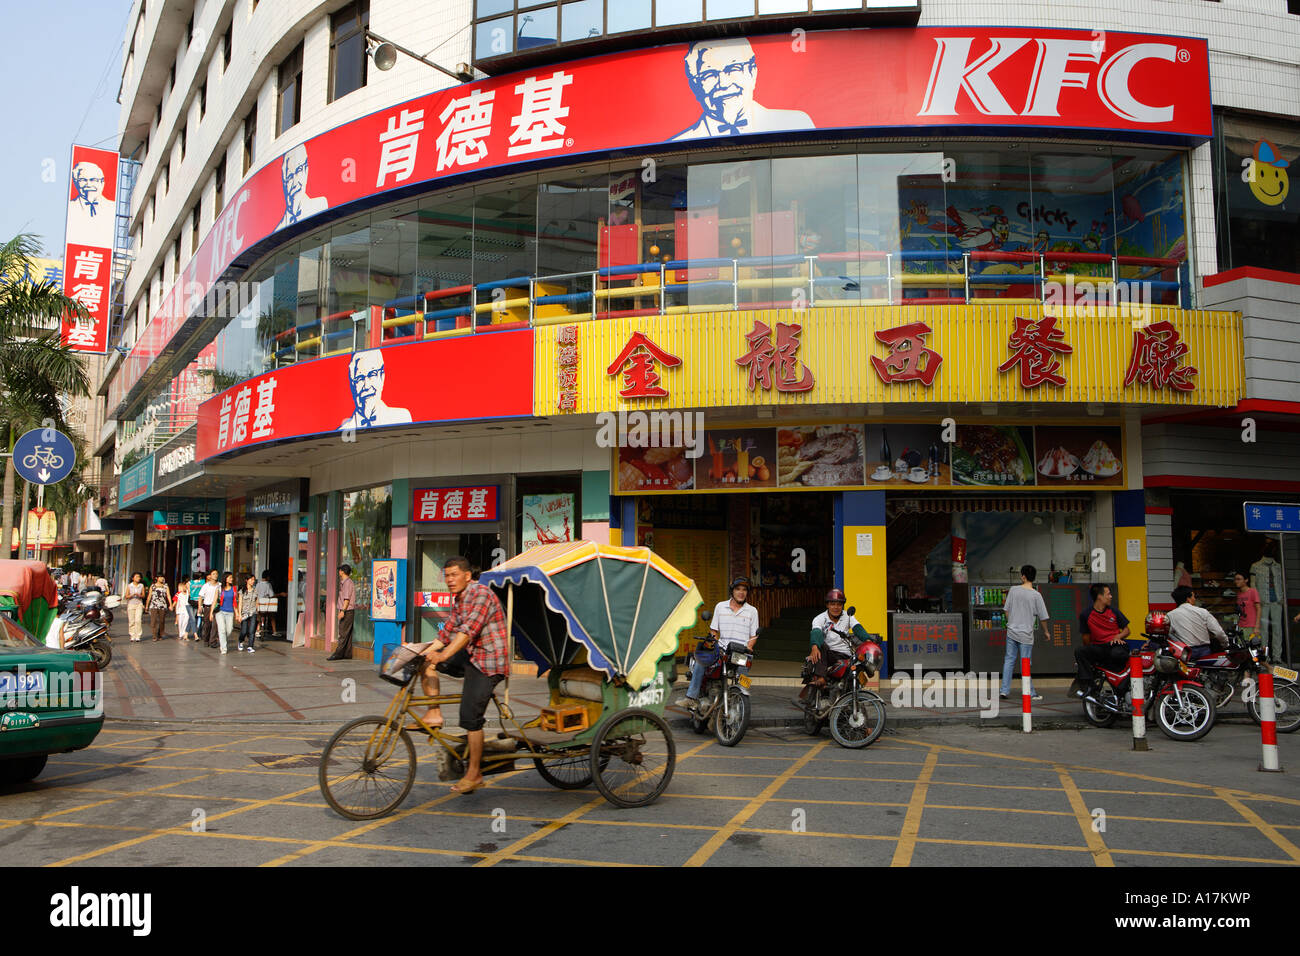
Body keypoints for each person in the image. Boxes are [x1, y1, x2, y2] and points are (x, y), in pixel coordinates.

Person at [399, 555, 509, 794]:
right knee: (425, 663)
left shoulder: (480, 594)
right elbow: (446, 632)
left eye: (454, 575)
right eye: (446, 576)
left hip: (489, 662)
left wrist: (444, 655)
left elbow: (467, 632)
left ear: (467, 576)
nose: (449, 580)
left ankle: (475, 773)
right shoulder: (459, 599)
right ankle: (434, 713)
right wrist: (419, 652)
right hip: (471, 656)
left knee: (470, 718)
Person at [672, 38, 814, 141]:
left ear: (752, 73)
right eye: (709, 74)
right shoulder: (678, 143)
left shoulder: (795, 124)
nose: (724, 83)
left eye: (733, 68)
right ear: (695, 86)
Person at [685, 577, 759, 710]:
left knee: (744, 681)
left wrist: (749, 647)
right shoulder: (720, 606)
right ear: (732, 591)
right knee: (701, 661)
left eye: (744, 590)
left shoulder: (752, 611)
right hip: (722, 650)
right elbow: (714, 630)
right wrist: (712, 642)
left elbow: (753, 636)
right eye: (738, 589)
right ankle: (691, 697)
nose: (741, 592)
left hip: (741, 653)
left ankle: (741, 705)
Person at [802, 589, 868, 699]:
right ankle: (821, 678)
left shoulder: (848, 616)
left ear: (842, 605)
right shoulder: (820, 618)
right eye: (832, 604)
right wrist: (814, 646)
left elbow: (858, 628)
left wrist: (868, 640)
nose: (836, 607)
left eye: (839, 604)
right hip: (828, 654)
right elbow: (816, 632)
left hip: (846, 654)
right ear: (827, 605)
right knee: (821, 645)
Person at [1000, 564, 1050, 701]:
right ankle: (1030, 692)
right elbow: (1043, 617)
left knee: (1009, 660)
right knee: (1025, 663)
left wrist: (1011, 622)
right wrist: (1046, 632)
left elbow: (1006, 610)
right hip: (1026, 635)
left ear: (1023, 576)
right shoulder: (1036, 595)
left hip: (1011, 632)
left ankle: (1004, 690)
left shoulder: (1013, 590)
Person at [1072, 583, 1130, 693]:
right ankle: (1088, 683)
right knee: (1080, 651)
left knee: (1118, 654)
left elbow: (1127, 630)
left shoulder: (1114, 611)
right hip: (1100, 647)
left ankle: (1121, 684)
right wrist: (1090, 651)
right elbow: (1086, 638)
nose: (1111, 596)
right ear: (1100, 596)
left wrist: (1118, 636)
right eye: (1108, 594)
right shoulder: (1086, 614)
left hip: (1115, 645)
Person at [338, 349, 412, 430]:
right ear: (352, 385)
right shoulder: (344, 430)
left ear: (382, 377)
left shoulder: (401, 418)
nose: (366, 386)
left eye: (372, 374)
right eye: (360, 378)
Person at [275, 143, 328, 230]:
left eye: (298, 170)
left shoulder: (321, 205)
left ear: (306, 170)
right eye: (290, 177)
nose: (295, 182)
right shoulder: (279, 229)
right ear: (284, 184)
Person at [1167, 585, 1228, 660]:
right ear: (1188, 599)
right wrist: (1225, 644)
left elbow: (1168, 634)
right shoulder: (1202, 612)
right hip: (1204, 651)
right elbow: (1218, 632)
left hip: (1184, 653)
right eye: (1193, 596)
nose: (1194, 599)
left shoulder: (1170, 615)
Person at [329, 564, 356, 661]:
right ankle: (347, 654)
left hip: (347, 610)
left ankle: (338, 654)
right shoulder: (345, 582)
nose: (338, 572)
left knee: (343, 633)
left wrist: (343, 611)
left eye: (339, 570)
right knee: (347, 633)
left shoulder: (347, 583)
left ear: (342, 571)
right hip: (347, 610)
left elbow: (346, 599)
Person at [214, 573, 237, 655]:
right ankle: (223, 648)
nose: (232, 579)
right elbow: (215, 601)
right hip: (220, 612)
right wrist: (210, 613)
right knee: (222, 630)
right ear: (226, 579)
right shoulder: (220, 588)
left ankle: (221, 638)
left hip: (230, 612)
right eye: (230, 577)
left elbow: (234, 602)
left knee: (229, 630)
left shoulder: (234, 589)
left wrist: (237, 613)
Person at [1234, 572, 1261, 643]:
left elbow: (1258, 609)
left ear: (1246, 580)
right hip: (1241, 625)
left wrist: (1257, 627)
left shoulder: (1252, 591)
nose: (1236, 581)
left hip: (1251, 626)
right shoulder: (1239, 594)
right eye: (1235, 579)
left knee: (1252, 648)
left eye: (1239, 579)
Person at [198, 570, 221, 647]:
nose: (215, 575)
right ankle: (206, 639)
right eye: (213, 574)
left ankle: (213, 641)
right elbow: (200, 597)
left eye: (216, 574)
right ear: (210, 576)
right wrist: (199, 606)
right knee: (207, 624)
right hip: (207, 607)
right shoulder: (206, 586)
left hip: (217, 607)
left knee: (215, 625)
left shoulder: (220, 585)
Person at [238, 573, 259, 653]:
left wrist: (258, 611)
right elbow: (240, 603)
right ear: (247, 580)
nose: (252, 581)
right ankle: (240, 640)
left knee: (252, 630)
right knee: (244, 631)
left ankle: (250, 646)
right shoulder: (242, 591)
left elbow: (257, 601)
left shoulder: (255, 590)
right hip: (244, 613)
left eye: (253, 579)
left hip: (253, 612)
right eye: (251, 579)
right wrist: (239, 614)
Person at [148, 575, 171, 642]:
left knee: (162, 621)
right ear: (157, 578)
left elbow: (168, 595)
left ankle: (160, 634)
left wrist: (171, 604)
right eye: (160, 577)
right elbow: (149, 595)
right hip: (153, 605)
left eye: (163, 577)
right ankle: (154, 636)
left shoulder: (165, 586)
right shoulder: (152, 586)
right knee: (153, 621)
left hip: (163, 605)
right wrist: (147, 605)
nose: (162, 578)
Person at [126, 572, 146, 643]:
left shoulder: (141, 585)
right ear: (133, 578)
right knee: (131, 621)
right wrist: (132, 595)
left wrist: (139, 595)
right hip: (131, 604)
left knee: (138, 620)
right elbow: (126, 596)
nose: (138, 578)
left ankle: (138, 635)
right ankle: (132, 635)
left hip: (139, 604)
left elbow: (143, 595)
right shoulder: (129, 586)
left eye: (139, 577)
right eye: (137, 577)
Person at [256, 571, 276, 641]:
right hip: (266, 605)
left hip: (259, 604)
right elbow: (271, 595)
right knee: (272, 616)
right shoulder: (268, 585)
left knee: (259, 616)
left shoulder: (258, 584)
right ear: (268, 577)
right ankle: (274, 631)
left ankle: (257, 630)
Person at [187, 571, 205, 640]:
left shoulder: (189, 583)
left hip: (192, 601)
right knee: (196, 618)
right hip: (199, 602)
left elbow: (189, 592)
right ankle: (196, 634)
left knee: (192, 618)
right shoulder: (203, 582)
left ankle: (188, 634)